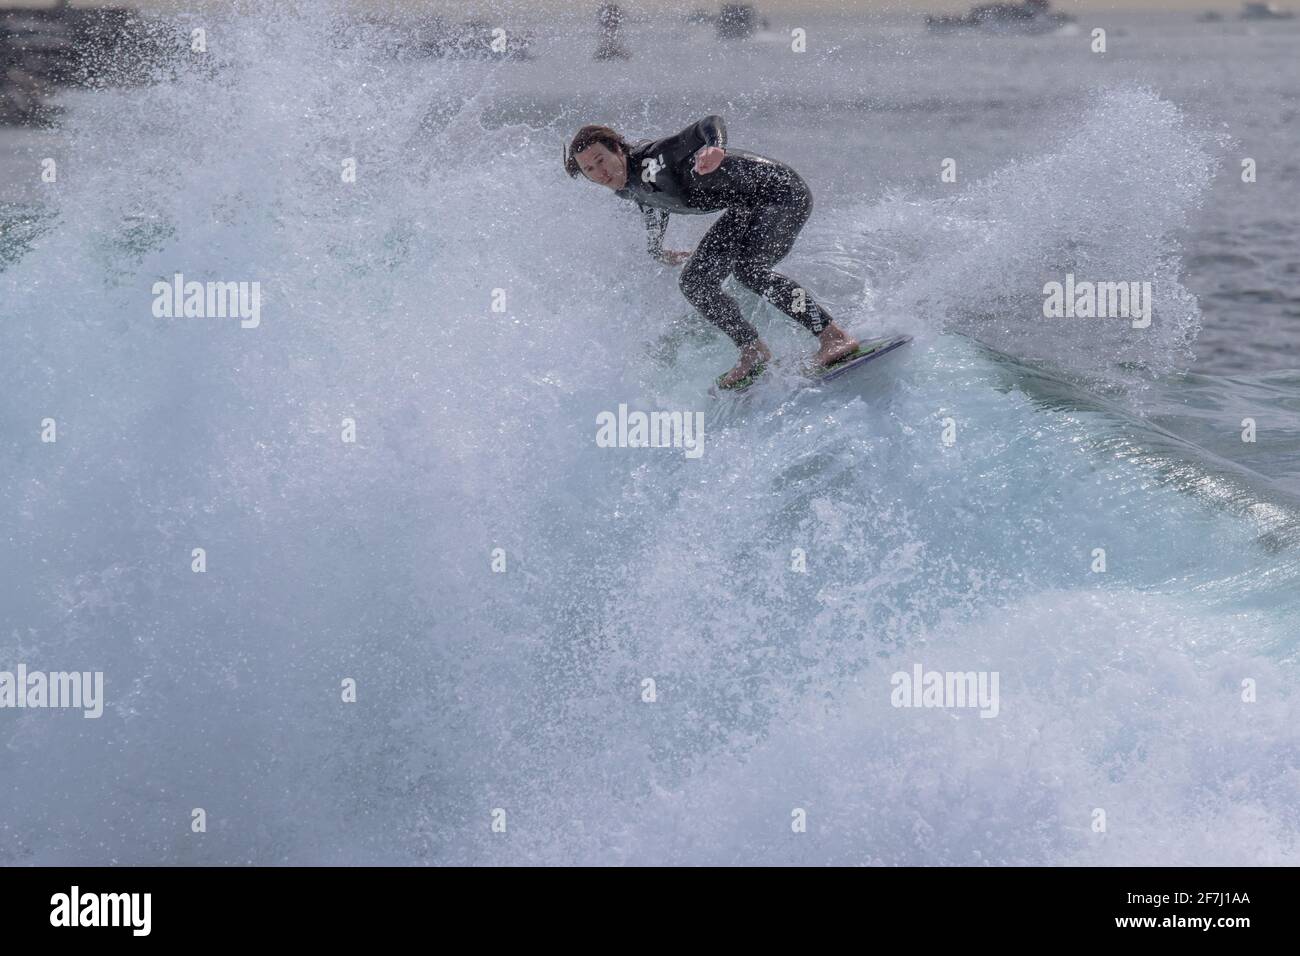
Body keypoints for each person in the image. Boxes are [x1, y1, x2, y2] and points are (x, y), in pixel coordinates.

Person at [564, 114, 859, 388]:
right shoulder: (624, 185)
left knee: (749, 271)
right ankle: (752, 350)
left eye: (601, 160)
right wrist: (657, 248)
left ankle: (833, 336)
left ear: (617, 148)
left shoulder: (656, 157)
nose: (599, 173)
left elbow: (707, 123)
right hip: (745, 208)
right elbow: (651, 203)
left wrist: (715, 147)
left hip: (781, 195)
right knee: (695, 282)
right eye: (589, 169)